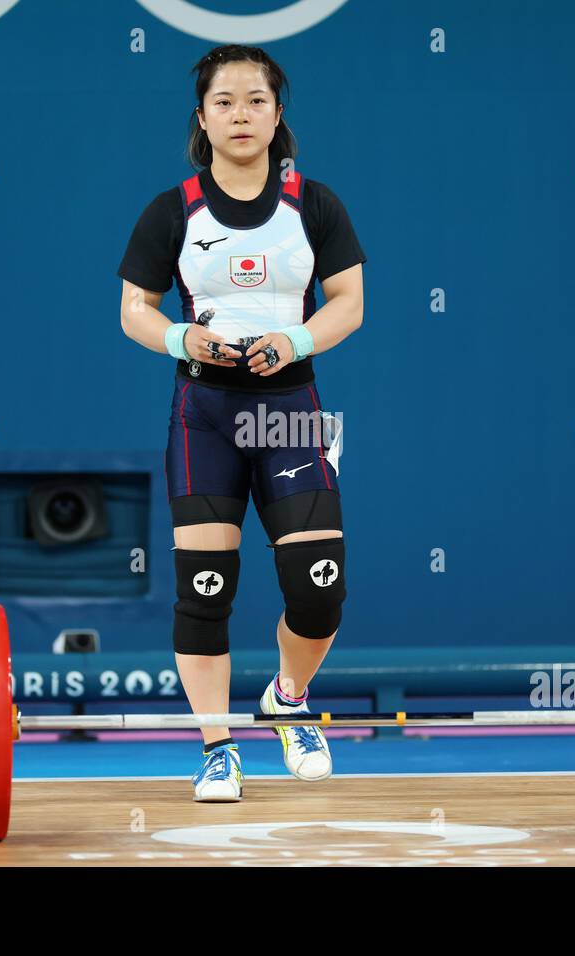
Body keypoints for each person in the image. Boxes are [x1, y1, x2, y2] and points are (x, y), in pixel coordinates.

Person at [117, 44, 366, 801]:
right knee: (205, 587)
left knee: (319, 589)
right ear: (203, 118)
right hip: (206, 415)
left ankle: (288, 699)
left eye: (256, 100)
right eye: (224, 102)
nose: (241, 114)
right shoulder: (172, 210)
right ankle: (218, 746)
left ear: (277, 113)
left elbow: (350, 304)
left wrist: (292, 339)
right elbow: (134, 310)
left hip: (289, 411)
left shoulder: (313, 203)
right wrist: (178, 337)